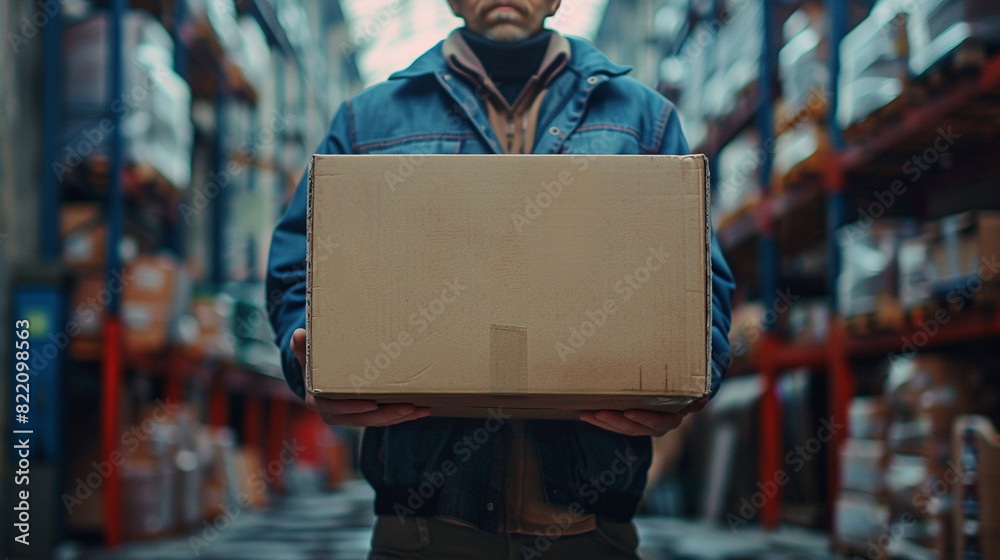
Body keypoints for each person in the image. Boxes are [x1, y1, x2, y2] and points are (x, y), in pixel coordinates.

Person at [267, 1, 735, 558]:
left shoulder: (643, 118)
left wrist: (689, 372)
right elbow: (298, 265)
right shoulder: (368, 120)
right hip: (422, 522)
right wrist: (314, 358)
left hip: (589, 525)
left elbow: (697, 276)